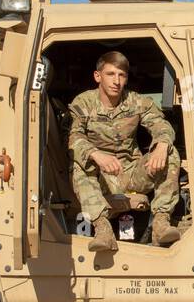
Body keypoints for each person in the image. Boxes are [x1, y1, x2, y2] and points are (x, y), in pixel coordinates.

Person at [68, 51, 182, 251]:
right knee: (79, 164)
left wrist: (161, 145)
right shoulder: (84, 103)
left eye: (121, 75)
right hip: (100, 178)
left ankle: (161, 222)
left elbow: (160, 124)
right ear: (98, 76)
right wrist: (97, 155)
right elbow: (73, 138)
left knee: (170, 152)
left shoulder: (136, 101)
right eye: (110, 74)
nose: (116, 81)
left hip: (131, 174)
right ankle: (102, 228)